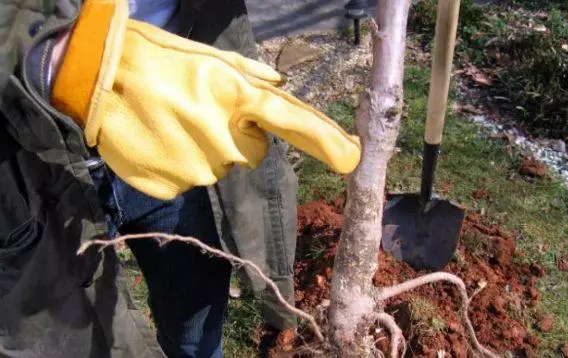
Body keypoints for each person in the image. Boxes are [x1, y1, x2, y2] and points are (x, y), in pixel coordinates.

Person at [0, 0, 360, 357]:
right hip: (30, 158)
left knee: (196, 307)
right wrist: (65, 65)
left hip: (167, 126)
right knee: (71, 336)